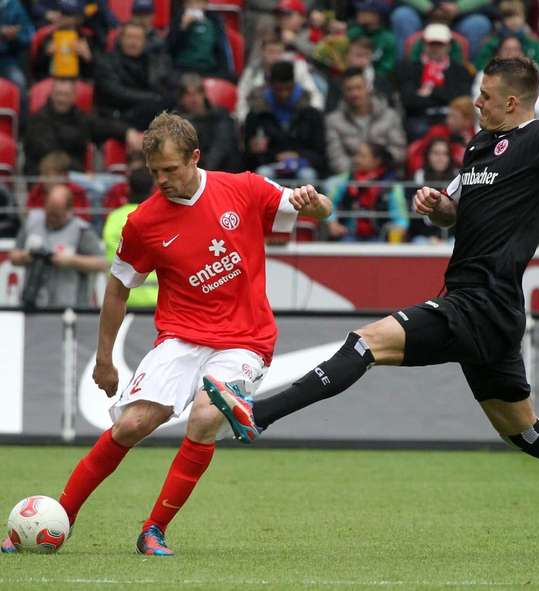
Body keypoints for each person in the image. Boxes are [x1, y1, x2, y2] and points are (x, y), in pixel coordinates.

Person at [205, 57, 539, 557]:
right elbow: (453, 213)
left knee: (364, 343)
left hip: (481, 300)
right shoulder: (478, 146)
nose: (477, 103)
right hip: (487, 310)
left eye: (486, 96)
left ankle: (258, 414)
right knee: (524, 430)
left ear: (513, 101)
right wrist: (438, 206)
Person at [0, 111, 332, 556]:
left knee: (206, 416)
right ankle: (59, 517)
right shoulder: (143, 223)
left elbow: (320, 209)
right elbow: (117, 289)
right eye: (154, 172)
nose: (162, 181)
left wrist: (315, 202)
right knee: (132, 425)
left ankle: (154, 530)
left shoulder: (244, 188)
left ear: (195, 157)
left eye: (171, 170)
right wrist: (104, 359)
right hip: (180, 338)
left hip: (245, 339)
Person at [9, 183, 106, 310]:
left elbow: (101, 264)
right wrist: (28, 256)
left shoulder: (81, 230)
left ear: (69, 211)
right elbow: (13, 257)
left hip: (69, 307)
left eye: (56, 215)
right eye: (49, 213)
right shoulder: (31, 222)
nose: (51, 219)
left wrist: (70, 261)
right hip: (33, 303)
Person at [243, 60, 326, 180]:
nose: (284, 94)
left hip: (303, 165)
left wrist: (298, 156)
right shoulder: (257, 113)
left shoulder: (311, 113)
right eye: (279, 89)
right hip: (269, 164)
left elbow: (320, 154)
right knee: (263, 174)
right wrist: (257, 150)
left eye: (288, 89)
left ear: (293, 84)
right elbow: (248, 156)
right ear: (271, 86)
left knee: (307, 175)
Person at [397, 23, 473, 139]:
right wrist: (445, 96)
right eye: (432, 44)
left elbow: (463, 98)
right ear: (424, 45)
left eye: (440, 45)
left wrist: (432, 91)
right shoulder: (409, 68)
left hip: (452, 118)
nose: (435, 49)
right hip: (420, 118)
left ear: (448, 46)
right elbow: (408, 100)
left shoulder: (461, 71)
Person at [325, 67, 406, 174]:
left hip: (386, 175)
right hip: (350, 179)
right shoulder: (333, 121)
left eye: (358, 87)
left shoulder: (389, 116)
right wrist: (359, 166)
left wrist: (378, 161)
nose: (355, 93)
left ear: (368, 87)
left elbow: (400, 150)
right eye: (349, 89)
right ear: (343, 91)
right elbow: (336, 158)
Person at [325, 142, 408, 242]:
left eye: (362, 156)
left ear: (377, 161)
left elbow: (400, 219)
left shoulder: (391, 185)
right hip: (349, 235)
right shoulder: (347, 179)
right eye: (357, 155)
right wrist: (332, 223)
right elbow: (328, 203)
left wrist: (398, 230)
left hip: (379, 238)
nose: (357, 160)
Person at [102, 167, 158, 308]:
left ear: (128, 189)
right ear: (153, 188)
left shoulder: (114, 217)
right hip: (156, 299)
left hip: (120, 298)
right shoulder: (158, 217)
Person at [176, 73, 242, 172]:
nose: (193, 98)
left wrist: (205, 173)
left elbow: (222, 146)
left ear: (203, 94)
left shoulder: (221, 116)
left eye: (197, 93)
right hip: (192, 172)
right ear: (181, 99)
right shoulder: (177, 122)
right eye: (188, 94)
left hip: (222, 171)